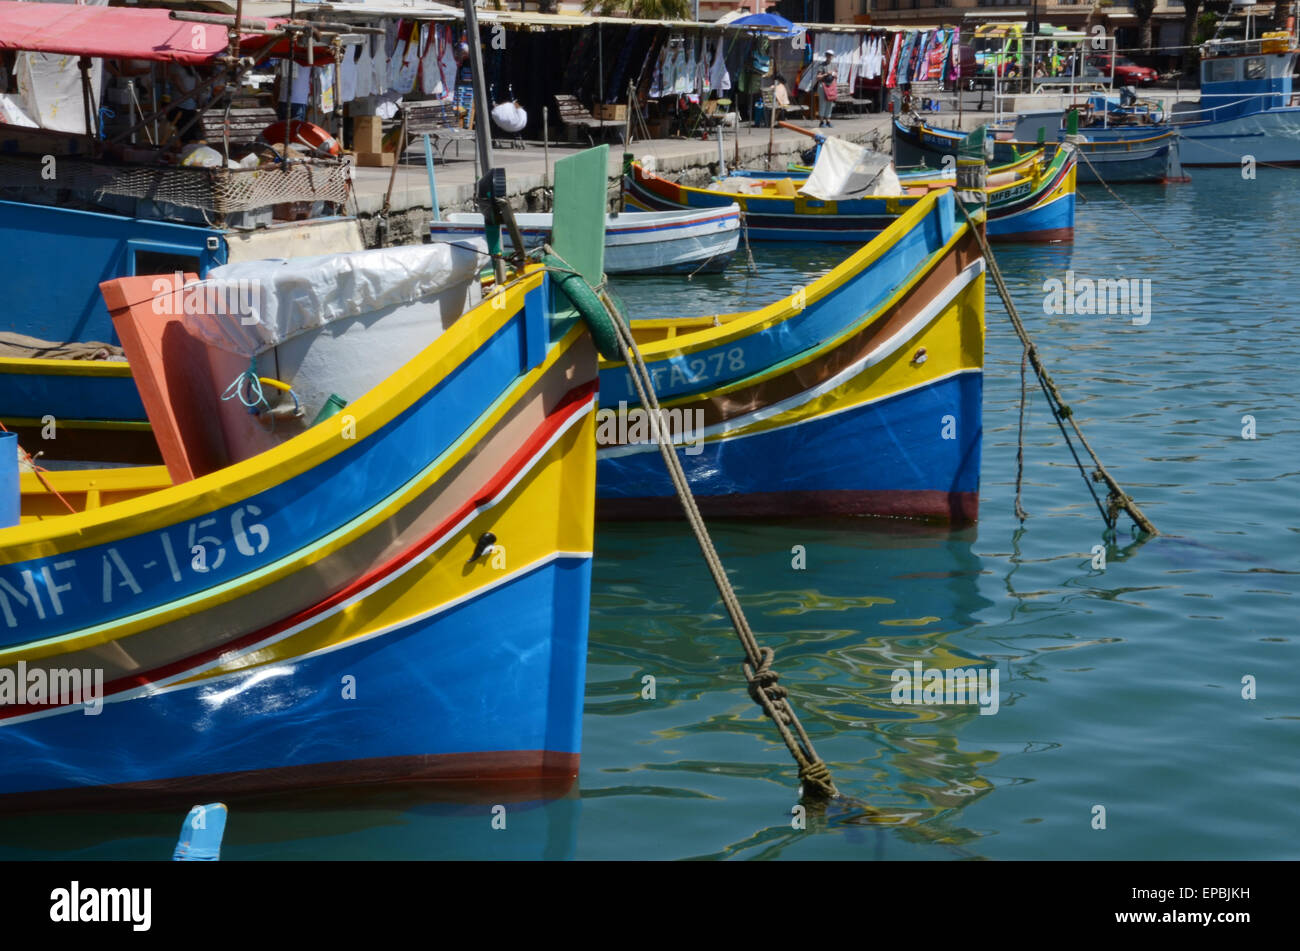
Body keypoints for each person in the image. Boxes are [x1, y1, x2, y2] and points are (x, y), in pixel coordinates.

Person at [815, 51, 836, 128]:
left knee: (830, 104)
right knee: (822, 103)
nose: (829, 57)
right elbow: (818, 77)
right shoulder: (821, 65)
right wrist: (827, 74)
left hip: (830, 86)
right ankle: (821, 121)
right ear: (826, 56)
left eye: (831, 55)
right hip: (823, 85)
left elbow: (836, 75)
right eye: (828, 55)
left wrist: (834, 74)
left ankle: (828, 120)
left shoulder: (834, 65)